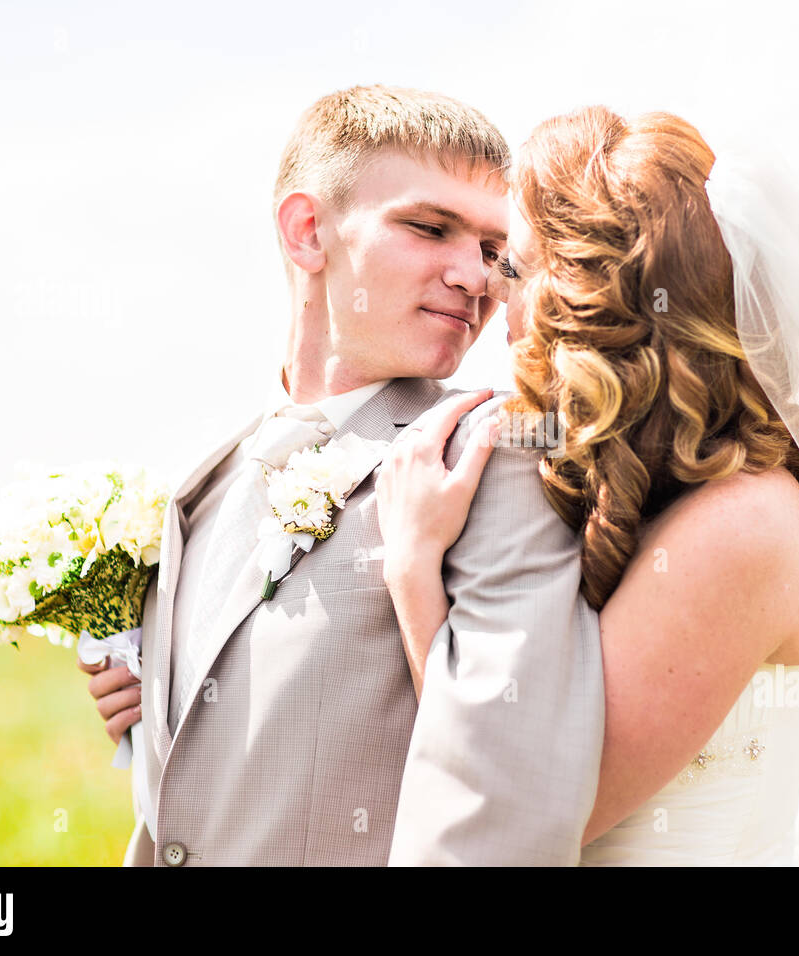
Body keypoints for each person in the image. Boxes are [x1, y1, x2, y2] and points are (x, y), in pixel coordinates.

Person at [80, 85, 605, 866]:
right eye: (431, 228)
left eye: (497, 252)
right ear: (306, 231)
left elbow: (512, 785)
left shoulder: (498, 458)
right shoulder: (198, 487)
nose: (477, 277)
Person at [376, 105, 799, 865]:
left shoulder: (744, 524)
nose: (494, 303)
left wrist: (411, 569)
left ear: (589, 299)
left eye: (516, 267)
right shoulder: (603, 478)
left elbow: (512, 815)